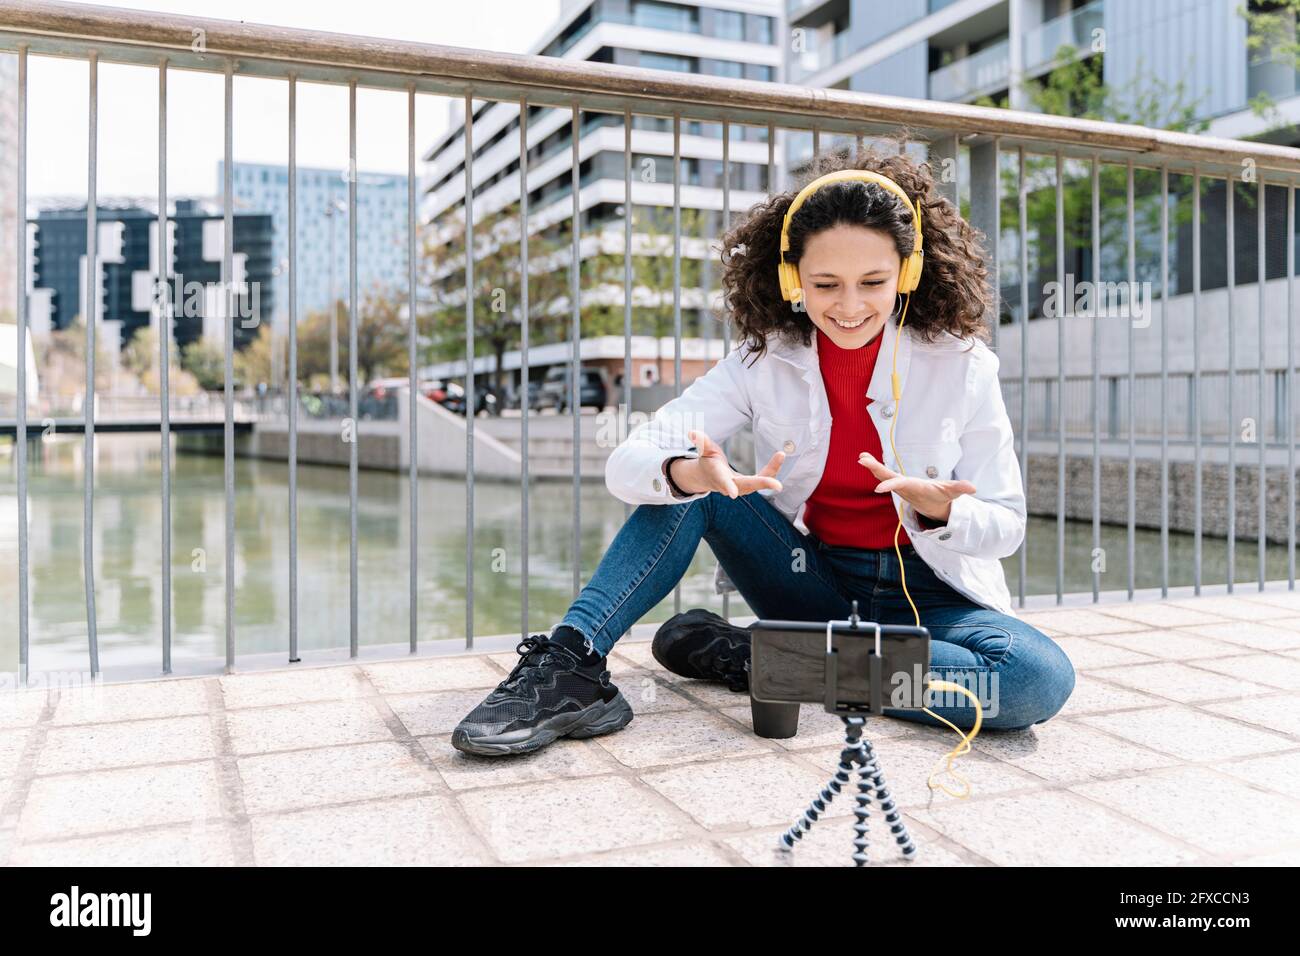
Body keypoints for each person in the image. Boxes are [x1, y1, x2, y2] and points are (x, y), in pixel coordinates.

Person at [451, 145, 1075, 758]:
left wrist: (945, 514)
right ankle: (573, 664)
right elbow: (629, 460)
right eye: (826, 283)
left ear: (908, 275)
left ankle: (768, 656)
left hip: (937, 603)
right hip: (814, 585)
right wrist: (688, 471)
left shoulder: (963, 367)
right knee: (690, 491)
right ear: (790, 278)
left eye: (874, 282)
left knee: (1032, 681)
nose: (850, 306)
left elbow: (1007, 526)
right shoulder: (761, 361)